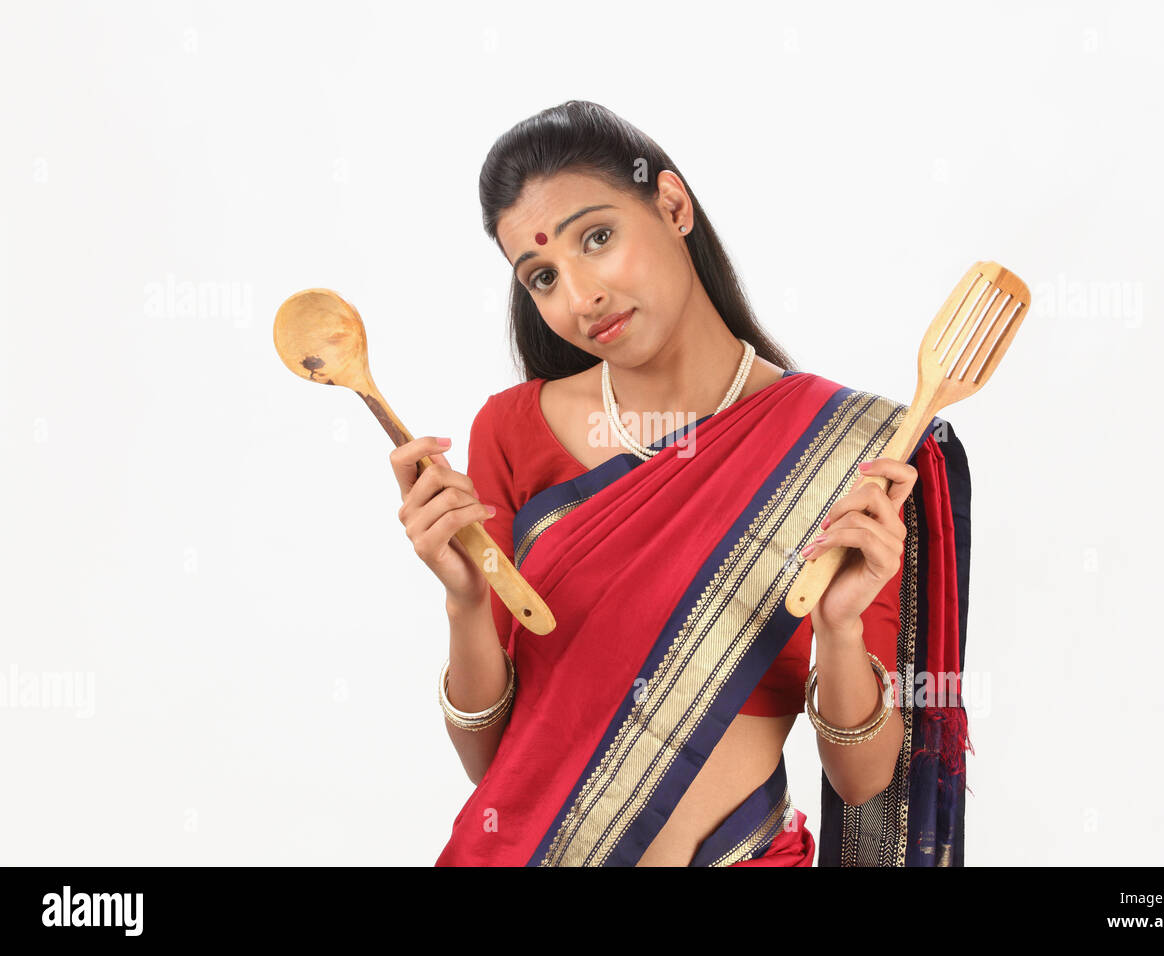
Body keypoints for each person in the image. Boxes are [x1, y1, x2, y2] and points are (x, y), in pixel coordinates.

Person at [391, 101, 973, 867]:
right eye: (542, 277)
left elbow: (867, 784)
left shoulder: (845, 449)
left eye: (596, 238)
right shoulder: (511, 430)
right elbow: (494, 763)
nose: (579, 296)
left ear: (671, 205)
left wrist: (836, 628)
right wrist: (466, 602)